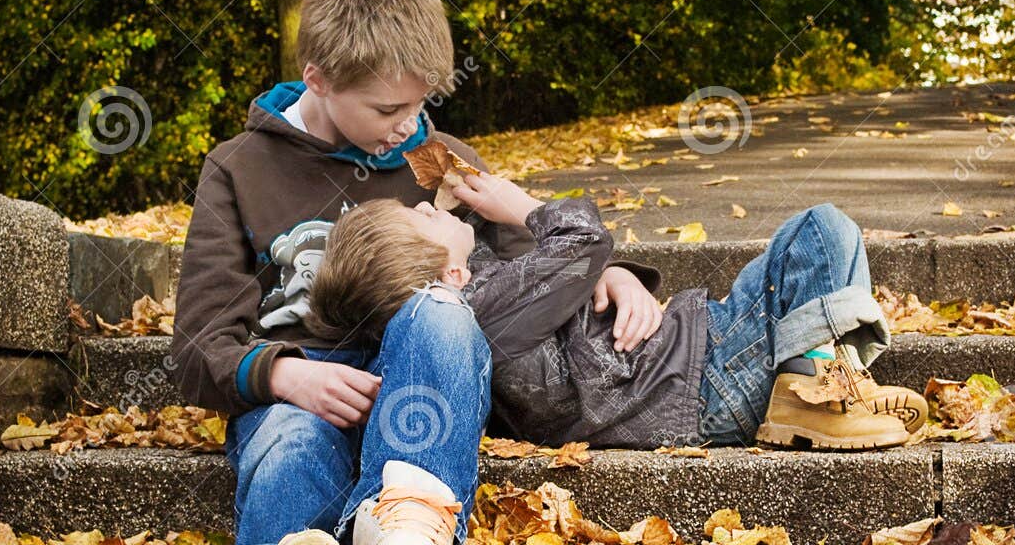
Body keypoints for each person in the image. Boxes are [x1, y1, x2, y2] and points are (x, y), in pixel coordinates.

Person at [170, 0, 664, 545]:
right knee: (289, 448)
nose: (408, 125)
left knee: (440, 310)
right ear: (318, 78)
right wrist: (283, 374)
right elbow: (199, 343)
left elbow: (534, 257)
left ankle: (408, 525)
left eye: (421, 102)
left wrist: (615, 273)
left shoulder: (435, 155)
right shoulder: (239, 169)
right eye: (387, 109)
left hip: (425, 376)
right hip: (304, 387)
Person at [303, 172, 926, 456]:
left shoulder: (478, 308)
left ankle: (824, 381)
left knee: (798, 257)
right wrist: (521, 205)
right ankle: (818, 386)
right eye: (419, 218)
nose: (427, 207)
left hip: (691, 372)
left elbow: (571, 272)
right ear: (448, 277)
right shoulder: (480, 308)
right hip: (701, 379)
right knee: (820, 230)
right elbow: (581, 244)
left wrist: (616, 275)